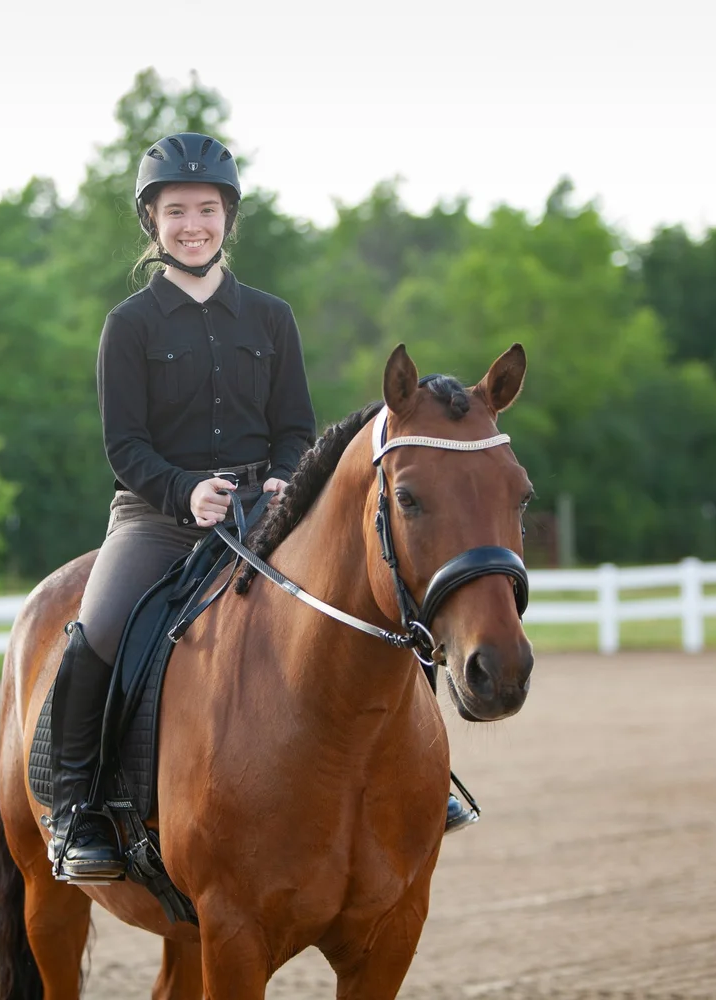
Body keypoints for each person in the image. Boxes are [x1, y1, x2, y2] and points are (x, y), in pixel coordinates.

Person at [46, 132, 475, 883]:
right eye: (175, 210)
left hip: (266, 511)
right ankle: (78, 811)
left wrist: (283, 478)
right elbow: (125, 444)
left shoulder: (272, 319)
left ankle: (425, 780)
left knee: (389, 599)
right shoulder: (130, 327)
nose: (192, 225)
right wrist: (186, 490)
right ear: (151, 221)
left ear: (228, 218)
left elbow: (294, 430)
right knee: (98, 631)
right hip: (158, 517)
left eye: (206, 210)